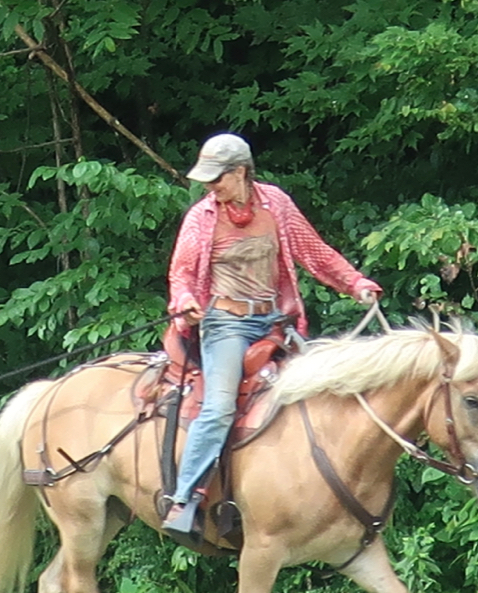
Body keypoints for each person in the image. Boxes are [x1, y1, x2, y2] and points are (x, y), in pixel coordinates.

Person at [162, 133, 382, 534]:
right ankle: (184, 500)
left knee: (325, 393)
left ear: (241, 172)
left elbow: (314, 252)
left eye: (217, 178)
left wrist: (355, 283)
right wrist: (185, 300)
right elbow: (180, 273)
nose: (210, 187)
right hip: (225, 324)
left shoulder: (276, 204)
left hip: (274, 322)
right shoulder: (202, 216)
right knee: (220, 406)